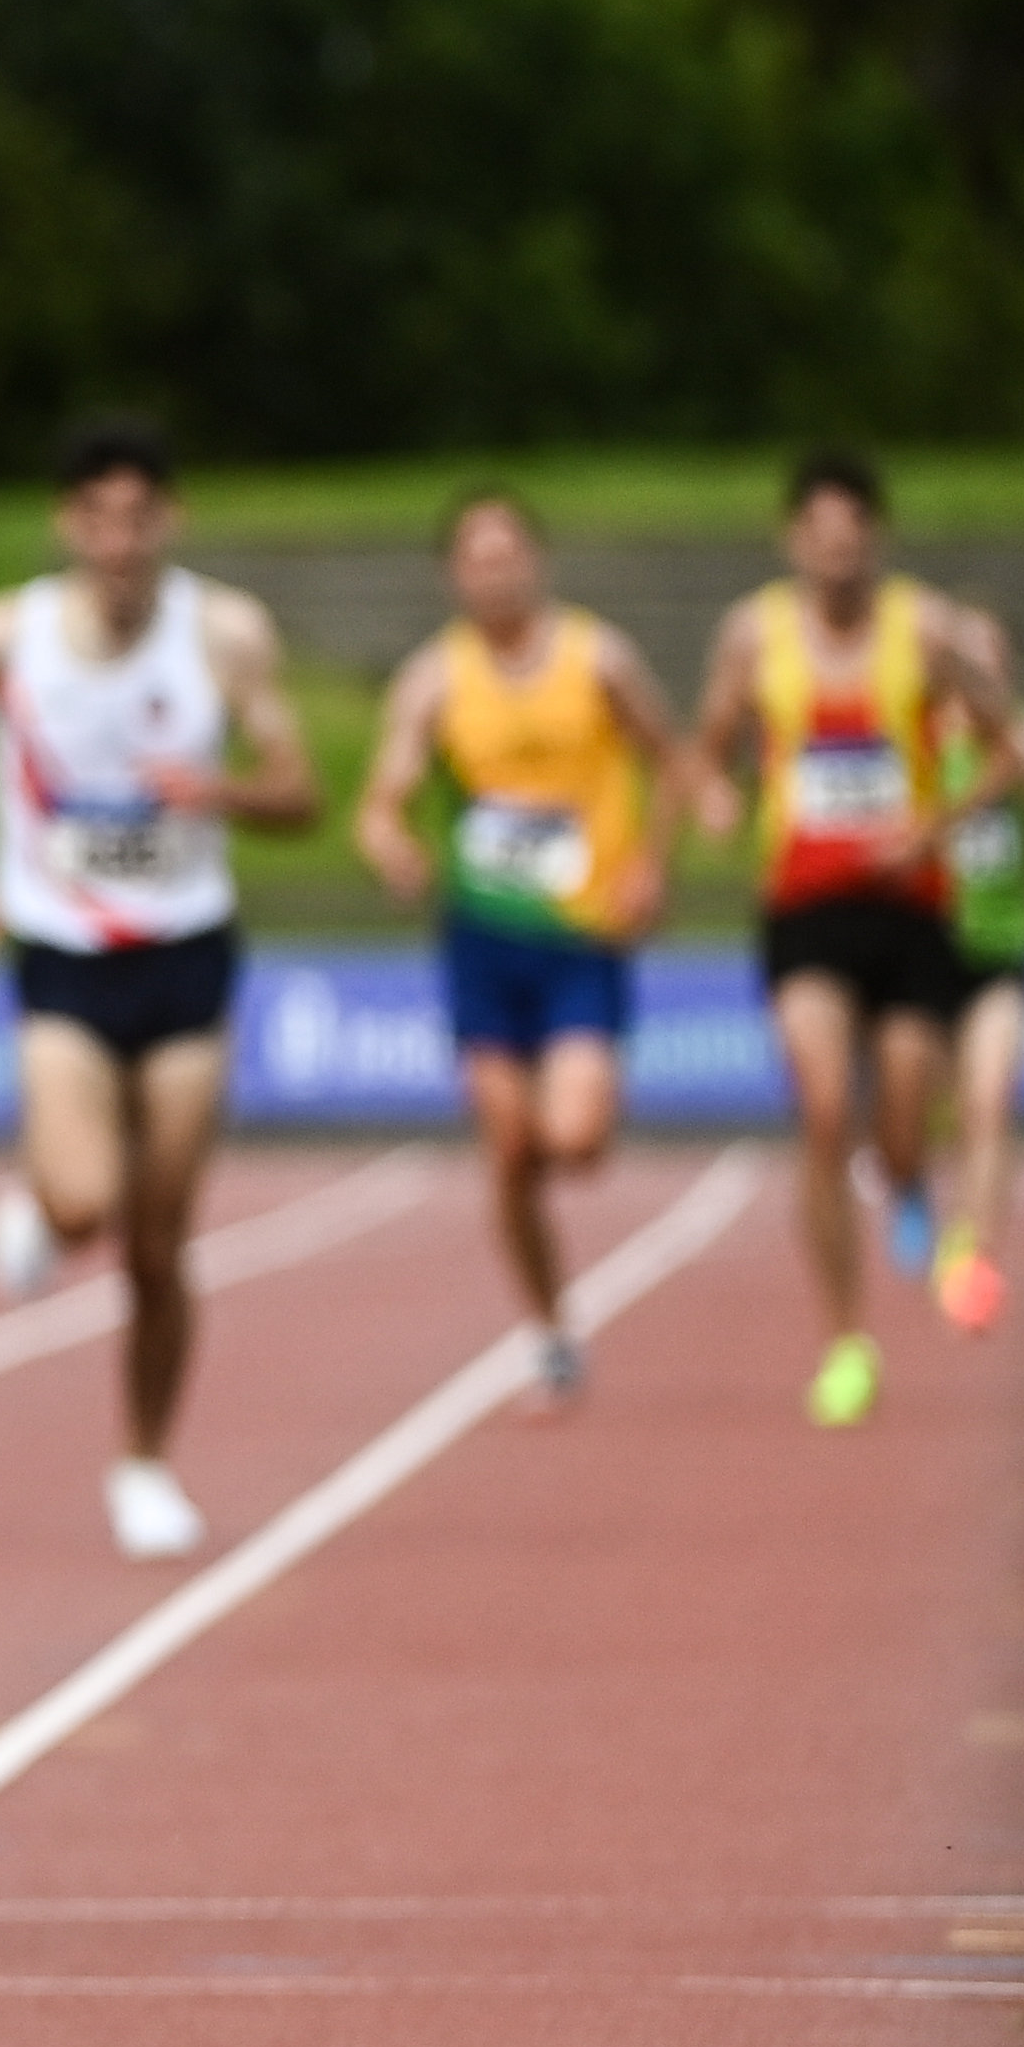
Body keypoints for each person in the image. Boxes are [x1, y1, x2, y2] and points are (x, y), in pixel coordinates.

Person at [0, 421, 318, 1561]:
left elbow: (300, 789)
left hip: (186, 953)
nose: (121, 540)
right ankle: (43, 1204)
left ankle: (143, 1461)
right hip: (63, 956)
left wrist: (219, 793)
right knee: (87, 1203)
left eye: (142, 518)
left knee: (158, 1240)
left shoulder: (225, 634)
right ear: (68, 524)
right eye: (99, 517)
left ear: (168, 522)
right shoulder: (7, 634)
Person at [681, 448, 1021, 1426]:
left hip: (911, 908)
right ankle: (844, 1340)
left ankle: (910, 1180)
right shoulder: (754, 634)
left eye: (853, 531)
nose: (836, 550)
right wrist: (711, 795)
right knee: (825, 1112)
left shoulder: (927, 630)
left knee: (904, 1119)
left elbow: (1008, 752)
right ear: (794, 539)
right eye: (817, 533)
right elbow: (710, 746)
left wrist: (930, 828)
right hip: (804, 909)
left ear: (877, 536)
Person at [351, 491, 679, 1409]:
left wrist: (650, 864)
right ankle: (548, 1329)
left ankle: (550, 1280)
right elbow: (385, 794)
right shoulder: (435, 678)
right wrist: (390, 839)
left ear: (535, 560)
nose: (493, 570)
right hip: (482, 939)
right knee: (506, 1148)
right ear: (452, 575)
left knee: (571, 1142)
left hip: (580, 935)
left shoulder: (597, 656)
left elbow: (669, 757)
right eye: (474, 557)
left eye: (507, 553)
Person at [924, 623, 1024, 1333]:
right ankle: (920, 1199)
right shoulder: (920, 737)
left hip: (1002, 946)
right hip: (927, 945)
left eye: (990, 659)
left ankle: (972, 1254)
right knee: (930, 1102)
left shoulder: (1023, 736)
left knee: (988, 1099)